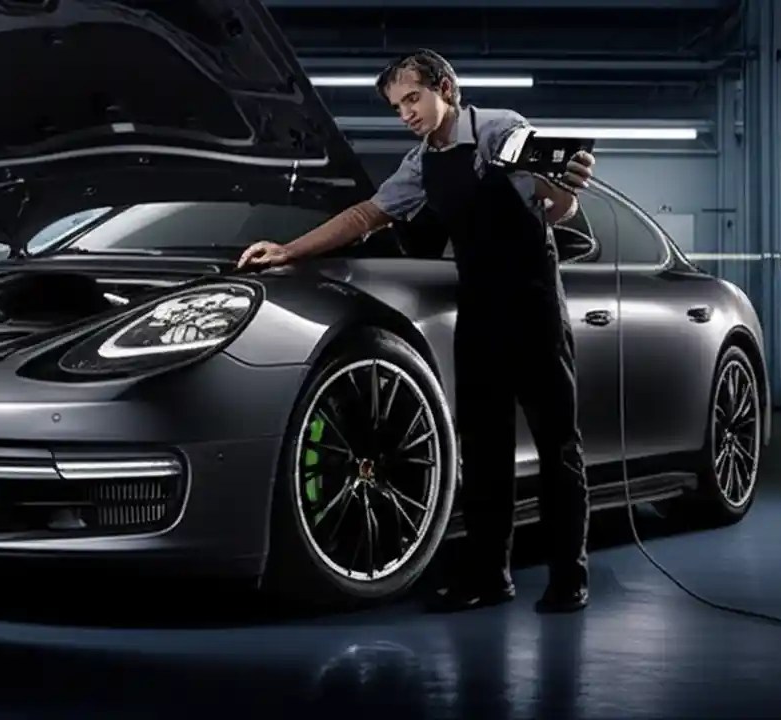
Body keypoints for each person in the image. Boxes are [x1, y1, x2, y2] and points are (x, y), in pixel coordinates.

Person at [237, 50, 596, 614]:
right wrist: (287, 250)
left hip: (533, 306)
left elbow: (556, 203)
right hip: (479, 309)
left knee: (556, 443)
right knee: (484, 447)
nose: (405, 114)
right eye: (397, 107)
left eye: (412, 99)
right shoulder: (421, 163)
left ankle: (569, 577)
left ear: (445, 88)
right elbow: (365, 217)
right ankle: (488, 575)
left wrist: (565, 188)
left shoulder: (500, 128)